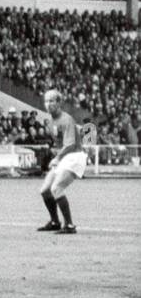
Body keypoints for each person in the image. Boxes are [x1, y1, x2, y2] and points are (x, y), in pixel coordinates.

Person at [37, 90, 94, 235]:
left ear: (59, 102)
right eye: (46, 101)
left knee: (56, 188)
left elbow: (69, 144)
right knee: (45, 190)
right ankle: (55, 222)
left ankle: (69, 225)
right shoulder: (50, 121)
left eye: (52, 101)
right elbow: (59, 143)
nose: (48, 104)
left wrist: (56, 158)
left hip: (74, 156)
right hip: (64, 157)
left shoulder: (66, 119)